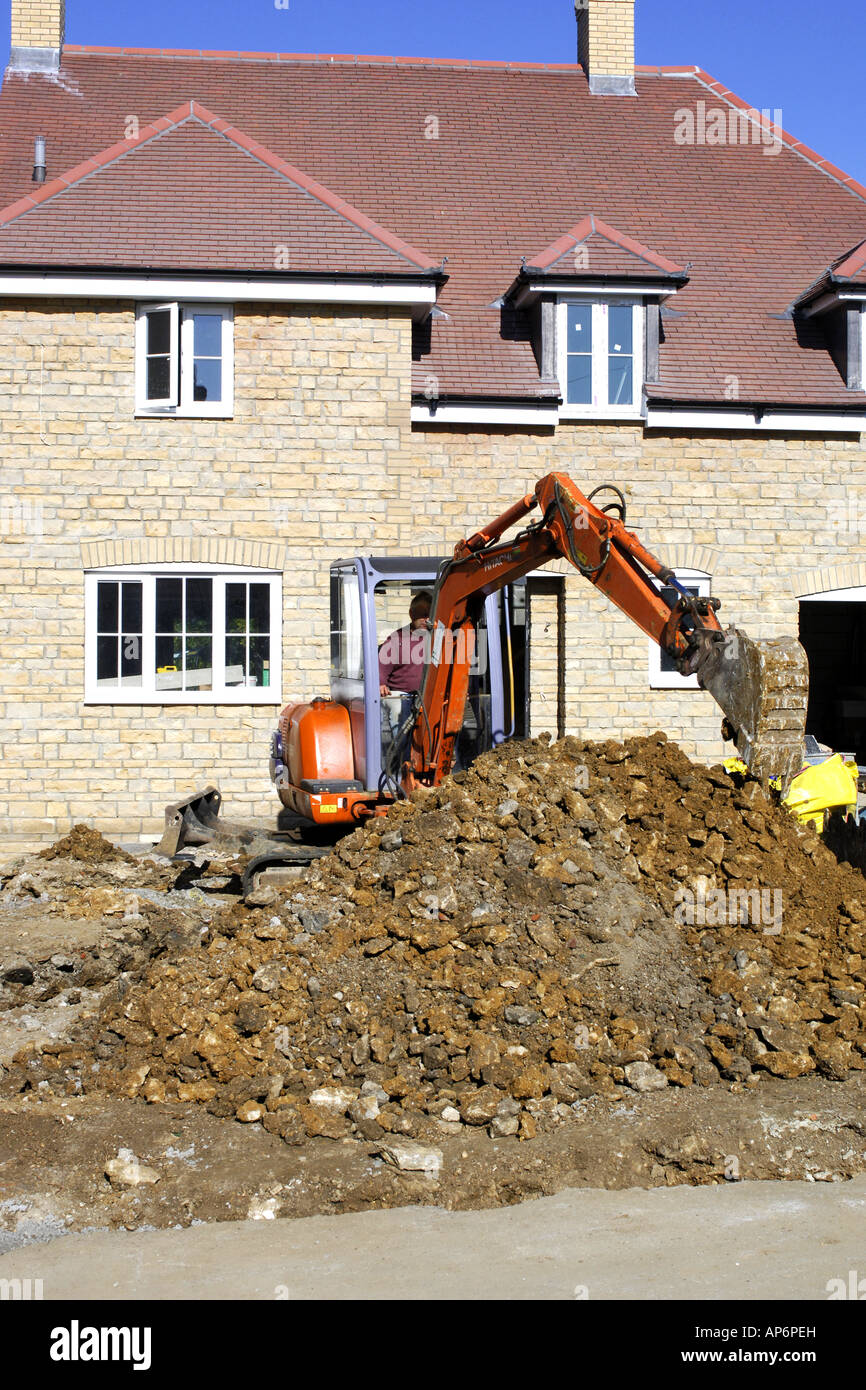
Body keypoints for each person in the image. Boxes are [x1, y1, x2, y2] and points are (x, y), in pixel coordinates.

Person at [378, 590, 433, 773]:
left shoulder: (439, 639)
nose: (426, 619)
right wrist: (380, 682)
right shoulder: (397, 639)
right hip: (402, 696)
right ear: (411, 614)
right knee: (400, 739)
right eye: (422, 614)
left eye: (429, 614)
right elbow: (381, 666)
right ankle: (396, 773)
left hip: (429, 697)